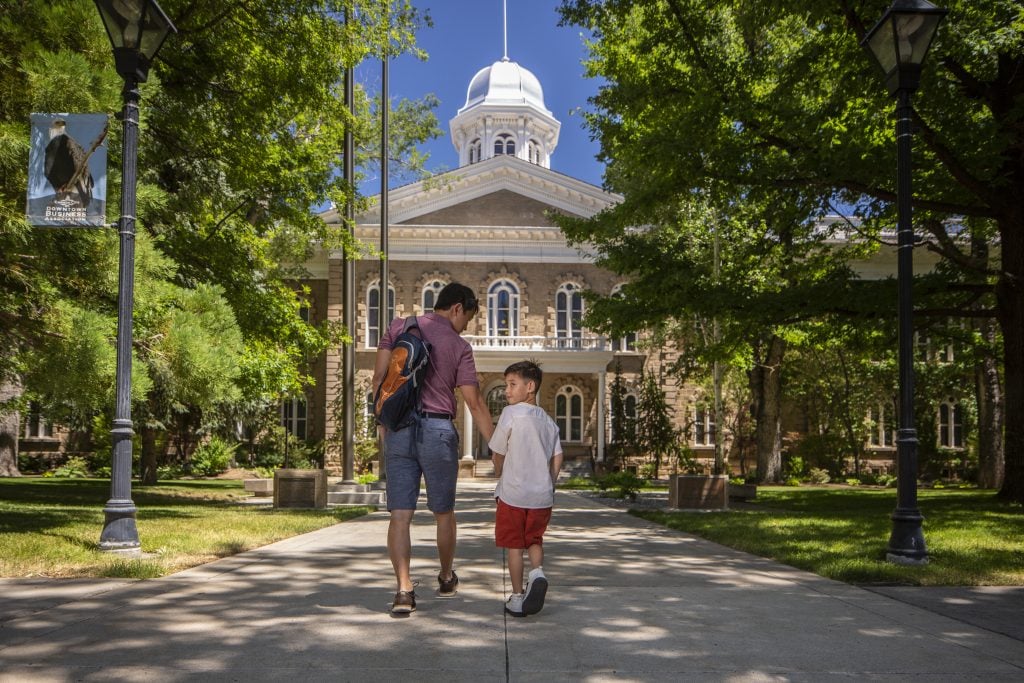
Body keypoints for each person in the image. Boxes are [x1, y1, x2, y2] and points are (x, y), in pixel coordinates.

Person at [372, 282, 494, 614]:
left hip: (398, 428)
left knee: (400, 515)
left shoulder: (400, 326)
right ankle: (444, 576)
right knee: (443, 513)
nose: (465, 326)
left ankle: (404, 590)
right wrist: (498, 449)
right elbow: (474, 401)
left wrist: (385, 426)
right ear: (457, 308)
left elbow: (378, 379)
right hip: (438, 429)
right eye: (467, 317)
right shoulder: (460, 346)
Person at [488, 360, 563, 617]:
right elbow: (557, 458)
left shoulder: (511, 413)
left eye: (512, 384)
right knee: (534, 540)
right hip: (542, 497)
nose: (507, 390)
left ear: (530, 387)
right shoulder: (549, 421)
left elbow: (497, 451)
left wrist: (500, 473)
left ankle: (518, 597)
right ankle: (538, 573)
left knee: (514, 546)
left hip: (513, 494)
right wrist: (549, 483)